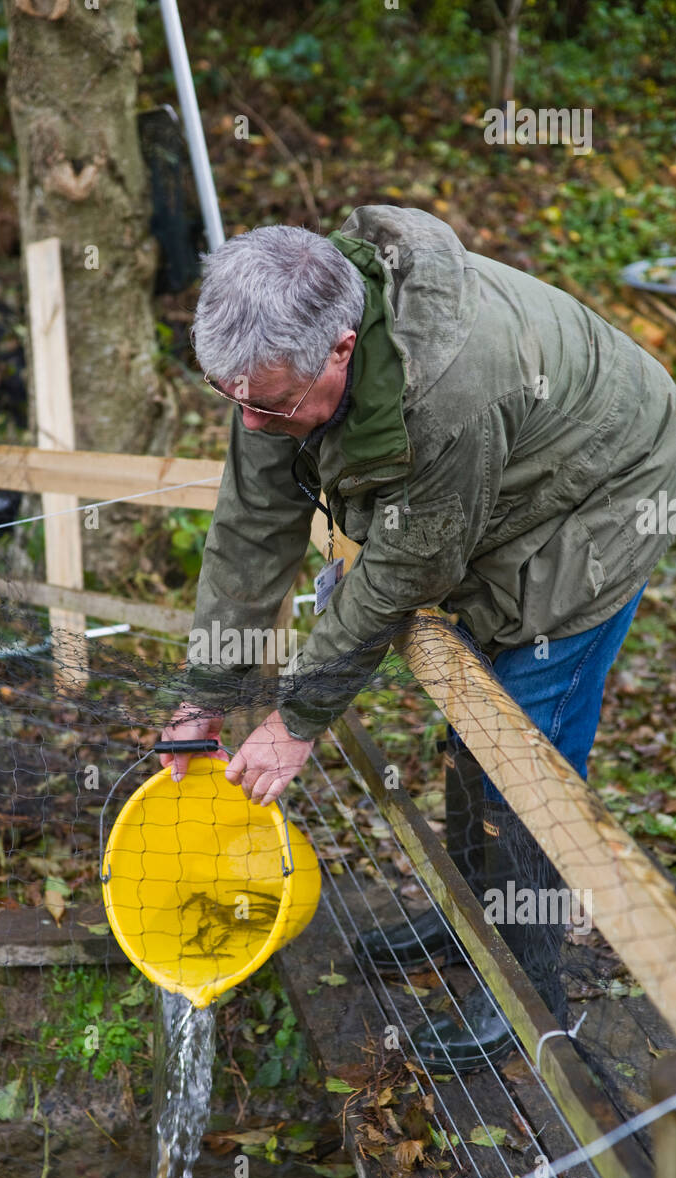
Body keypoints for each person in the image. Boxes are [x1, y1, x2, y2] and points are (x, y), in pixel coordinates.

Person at [159, 205, 676, 1070]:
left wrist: (294, 721)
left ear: (342, 349)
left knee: (523, 740)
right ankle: (471, 910)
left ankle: (524, 992)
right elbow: (254, 524)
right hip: (498, 469)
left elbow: (404, 572)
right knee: (466, 724)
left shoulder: (450, 392)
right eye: (231, 400)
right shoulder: (269, 365)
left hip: (606, 491)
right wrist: (204, 696)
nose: (248, 422)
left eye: (271, 405)